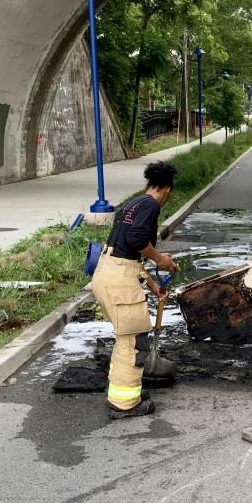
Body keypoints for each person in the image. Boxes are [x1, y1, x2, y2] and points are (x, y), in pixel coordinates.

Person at [91, 161, 179, 419]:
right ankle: (124, 404)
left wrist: (153, 286)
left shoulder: (133, 204)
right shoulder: (151, 205)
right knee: (133, 342)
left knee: (127, 339)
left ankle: (124, 390)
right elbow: (138, 240)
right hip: (118, 281)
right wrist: (160, 259)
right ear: (167, 190)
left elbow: (128, 257)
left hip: (110, 274)